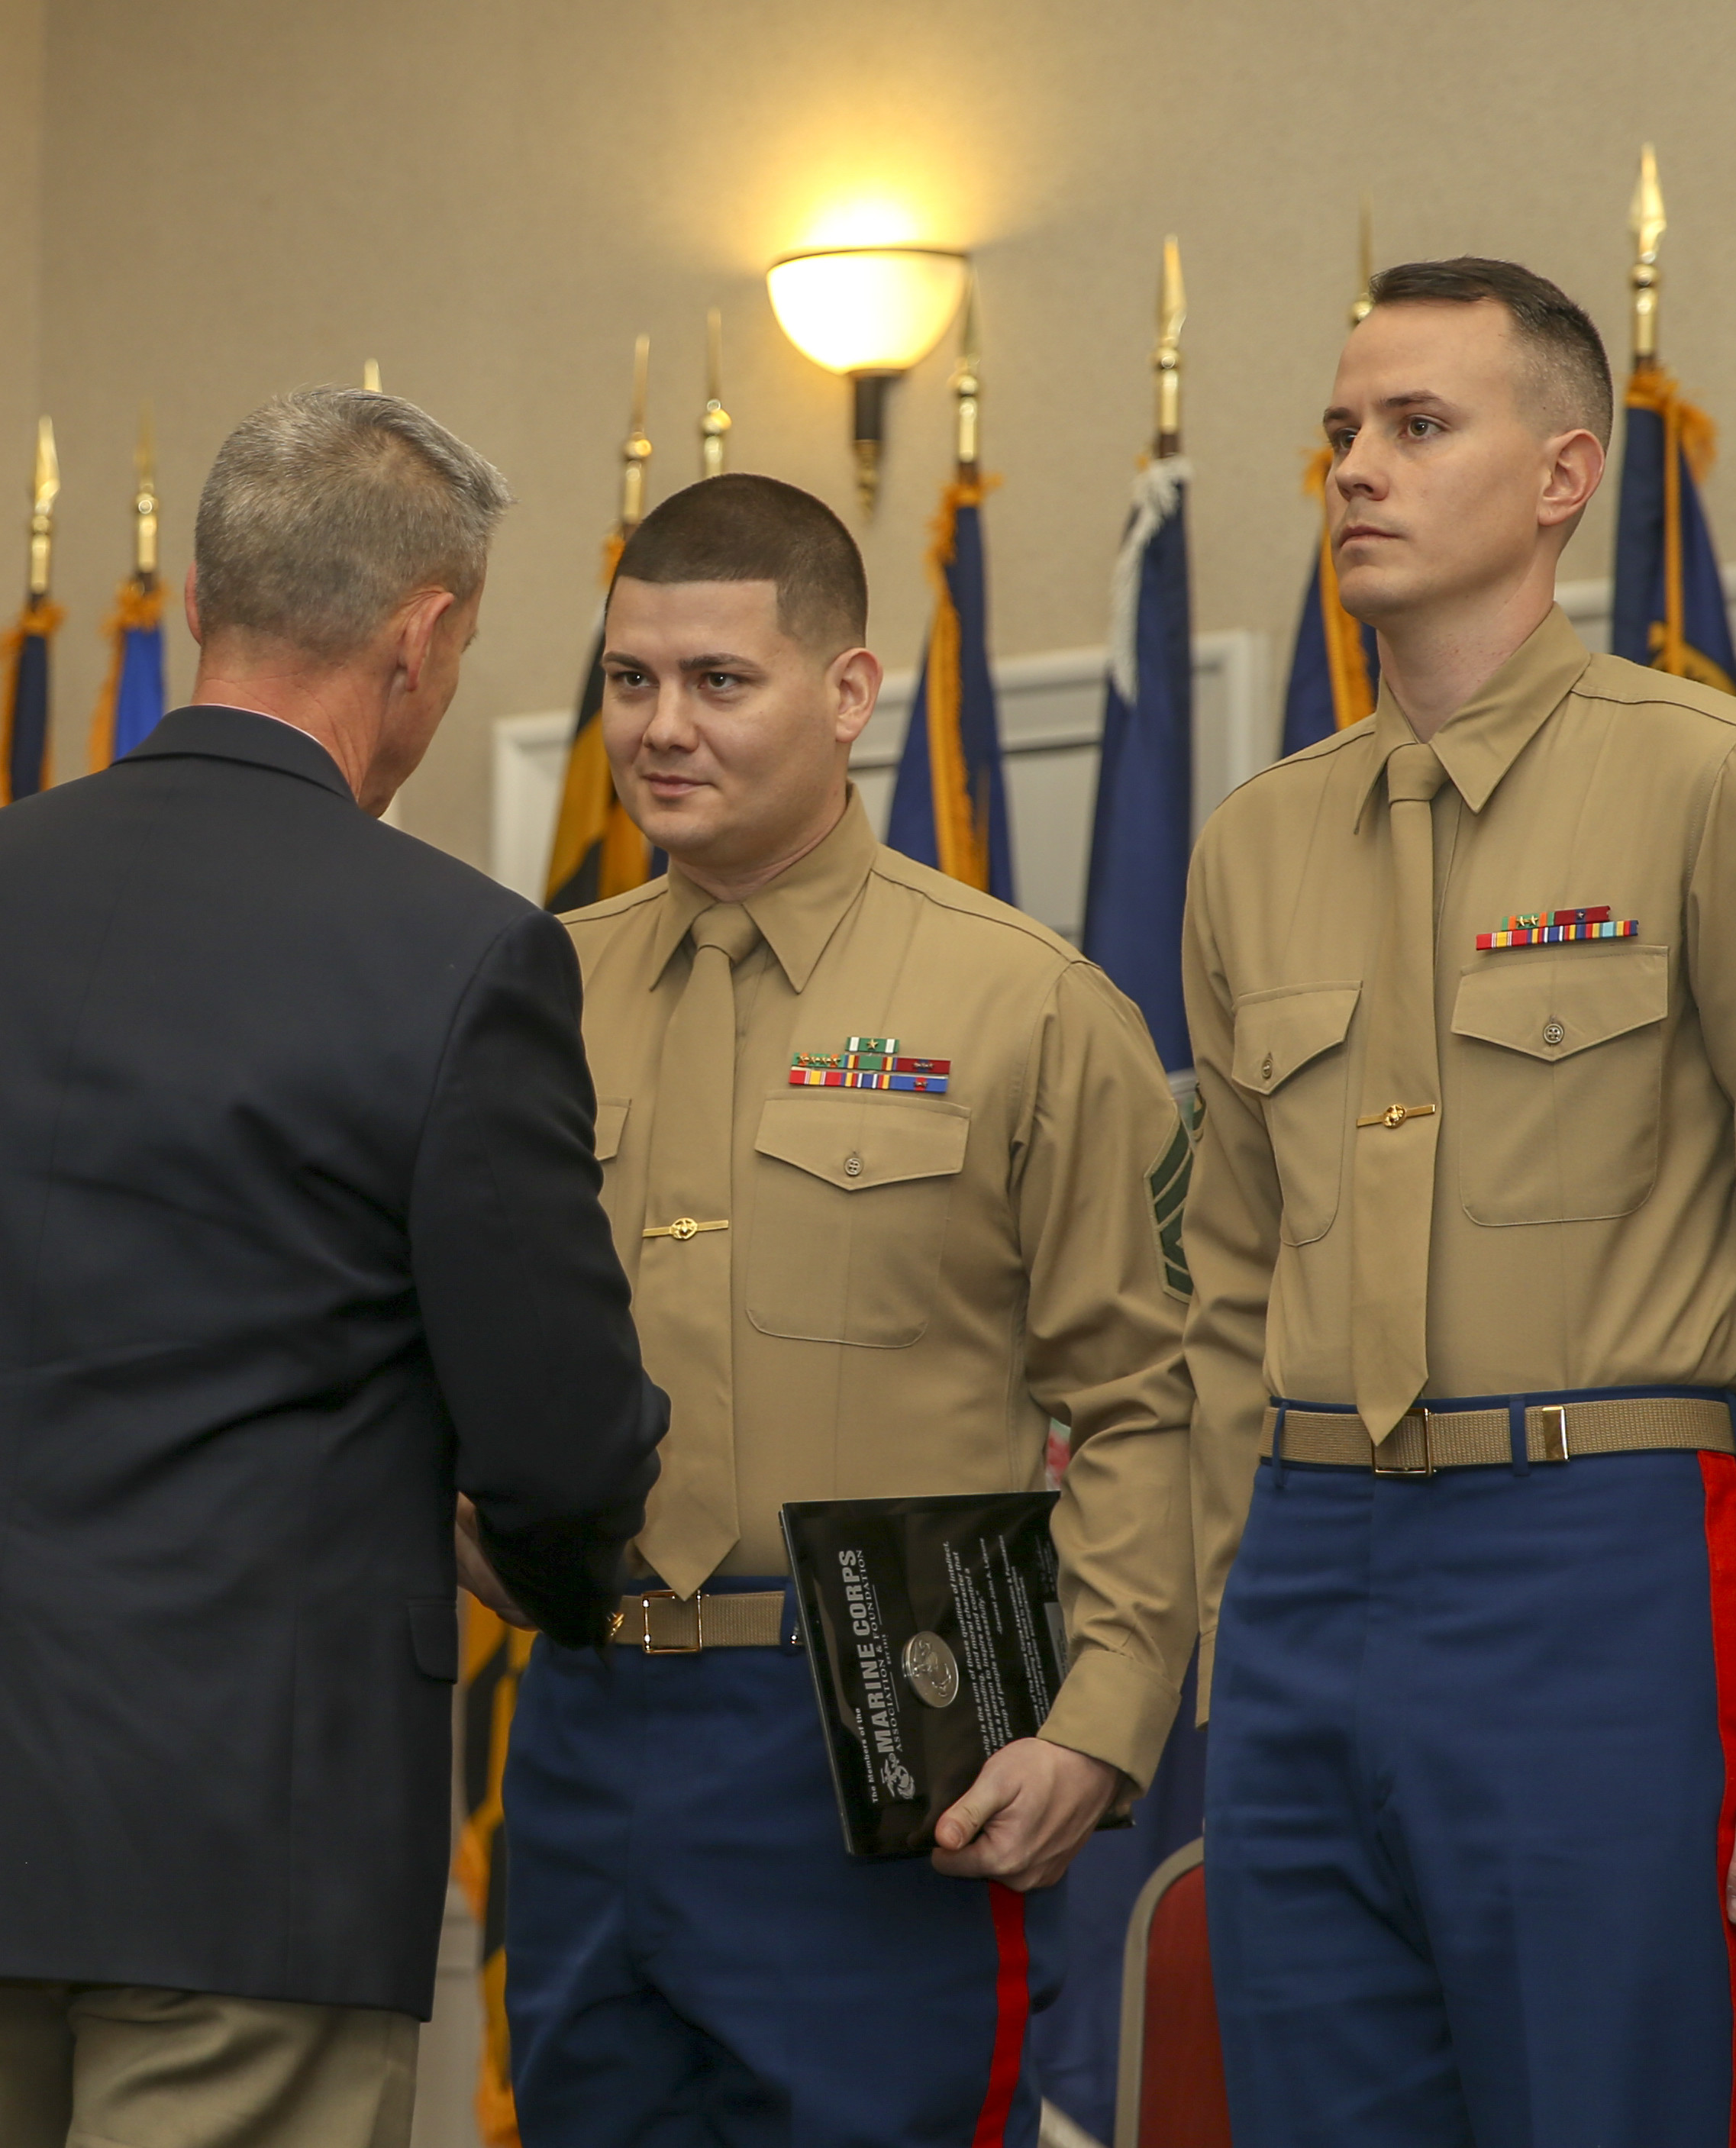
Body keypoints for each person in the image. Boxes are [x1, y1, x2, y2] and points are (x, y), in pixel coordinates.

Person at [0, 385, 666, 2148]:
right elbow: (555, 1442)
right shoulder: (456, 956)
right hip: (256, 1831)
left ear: (202, 602)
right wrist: (568, 1585)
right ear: (419, 638)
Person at [1179, 258, 1736, 2148]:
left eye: (1417, 425)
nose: (1354, 464)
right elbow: (1217, 1291)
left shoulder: (1725, 787)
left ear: (1561, 476)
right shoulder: (1255, 840)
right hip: (1299, 1577)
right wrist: (1209, 1620)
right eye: (1341, 429)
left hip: (1599, 1565)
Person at [496, 473, 1195, 2148]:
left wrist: (1099, 1722)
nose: (663, 727)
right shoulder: (530, 997)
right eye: (630, 680)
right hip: (589, 1724)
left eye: (719, 681)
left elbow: (1144, 1400)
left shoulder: (1022, 1003)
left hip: (885, 1728)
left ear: (849, 694)